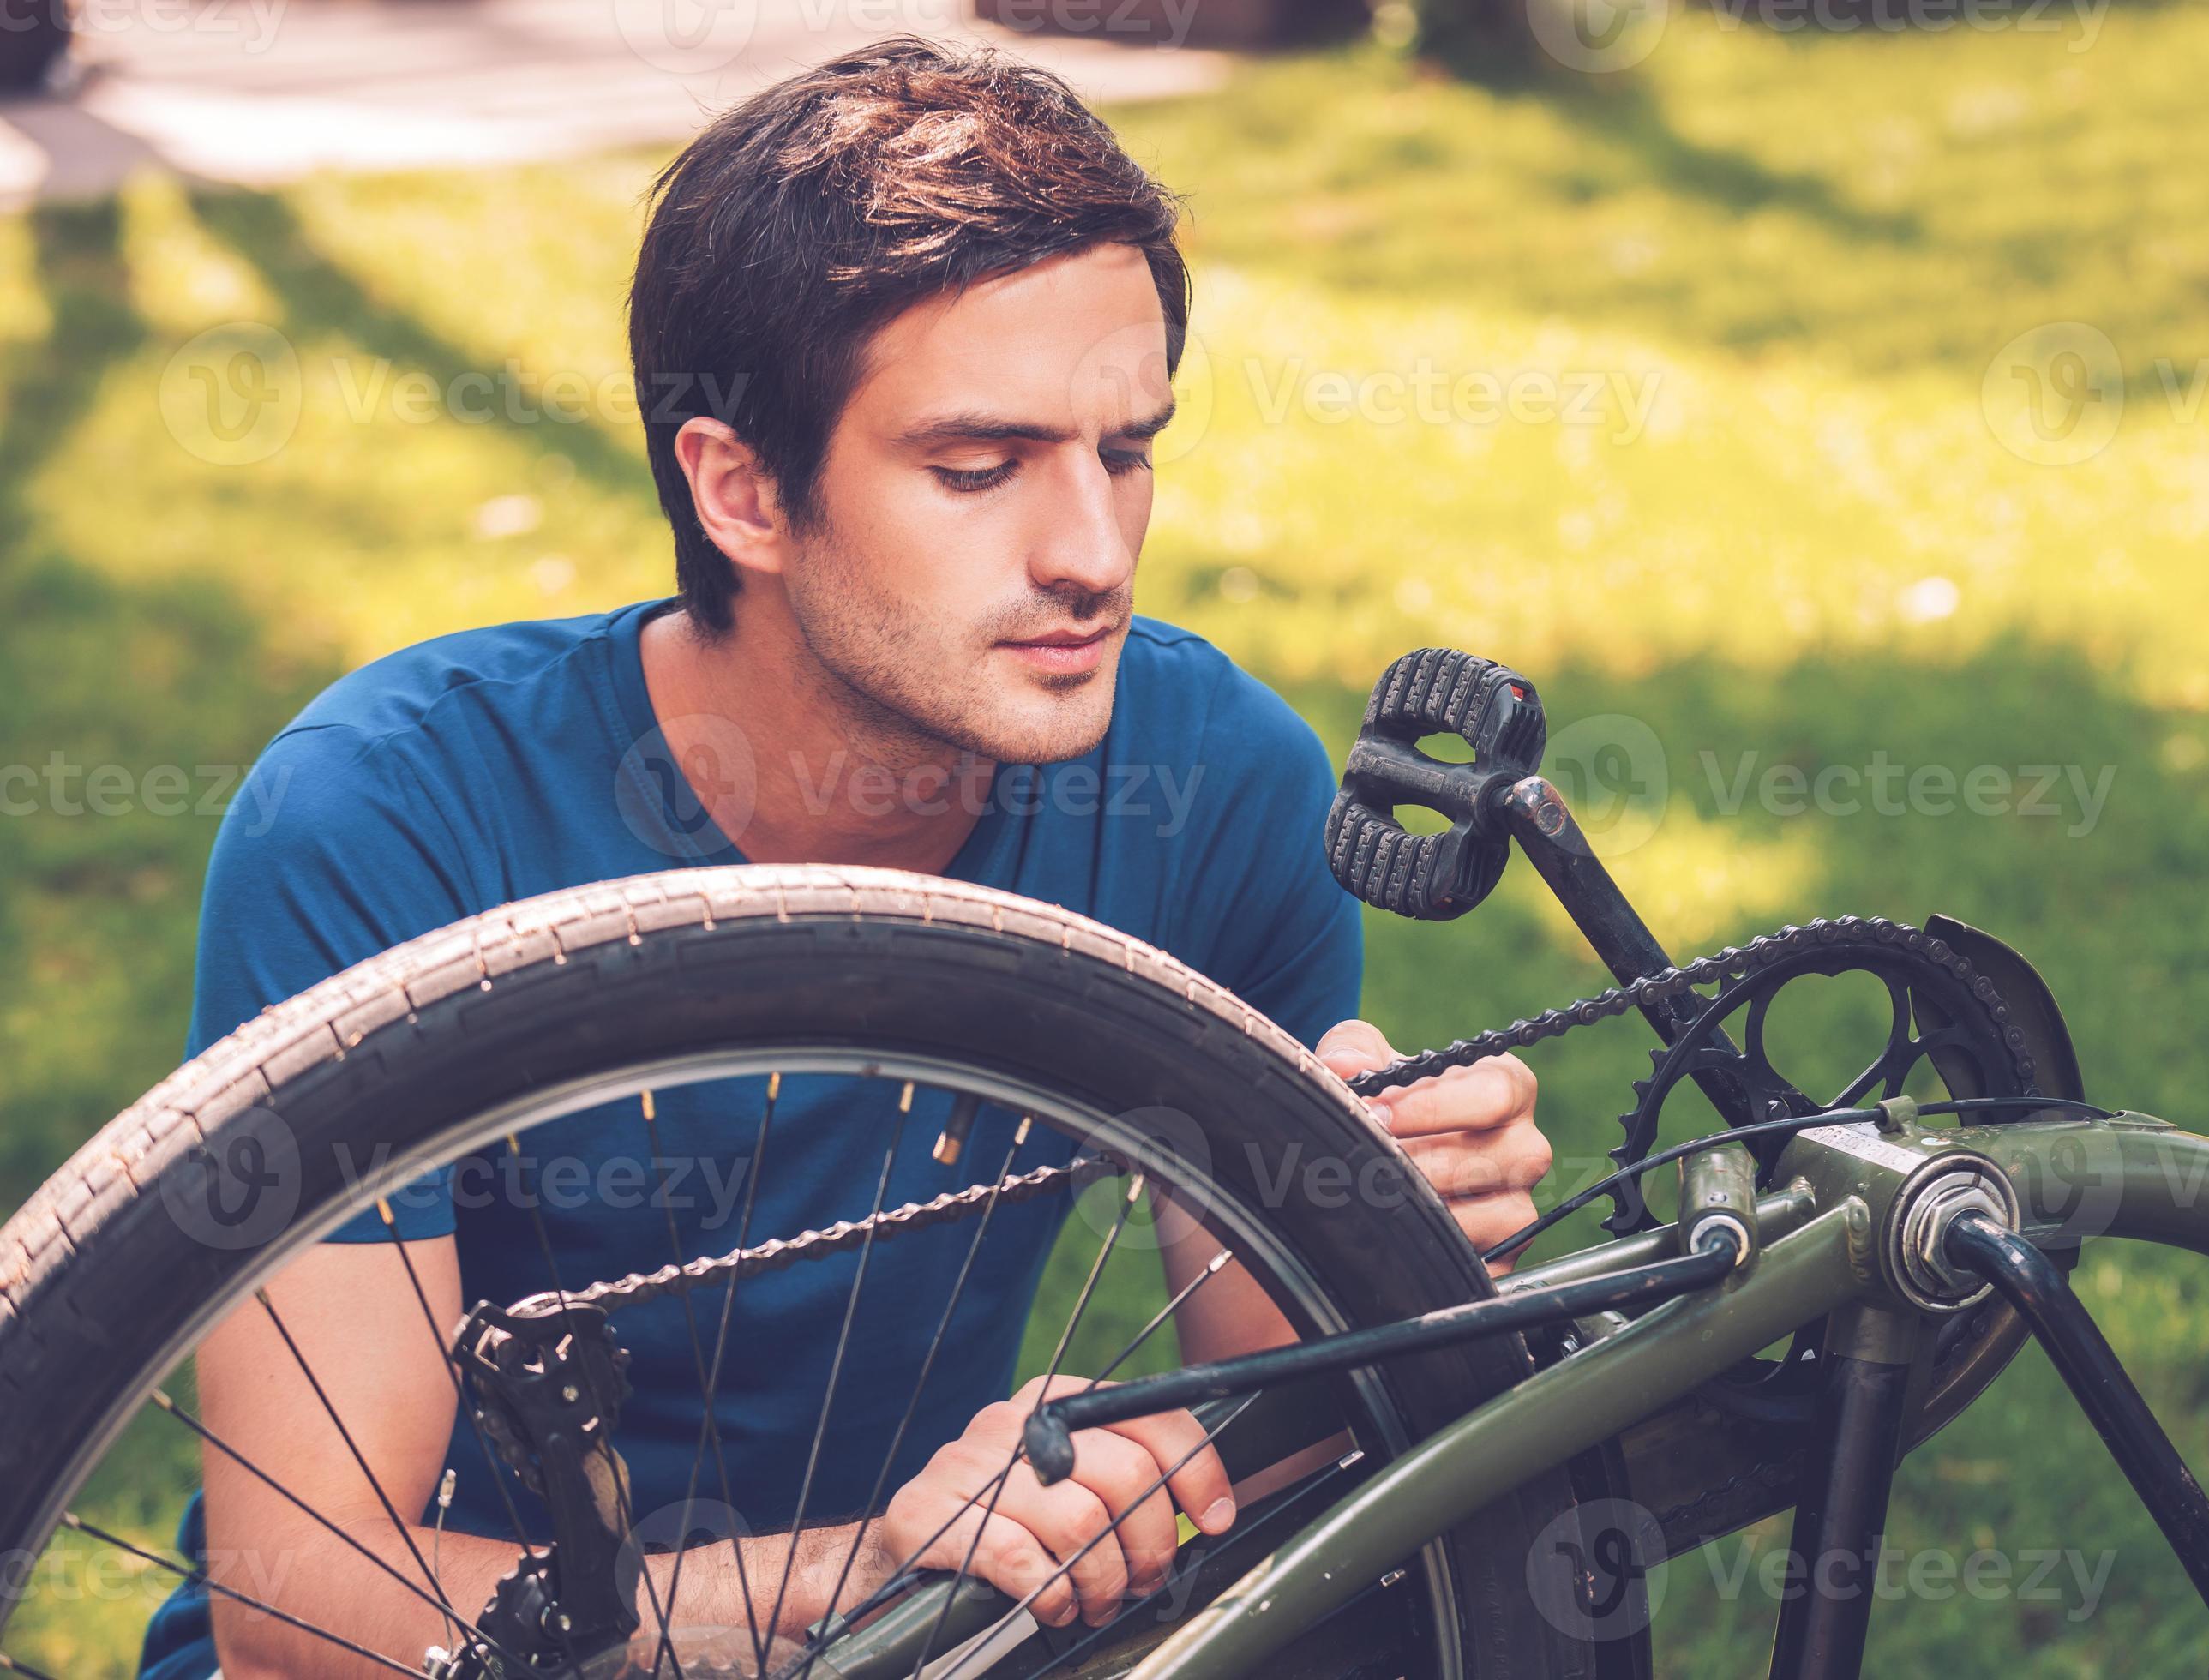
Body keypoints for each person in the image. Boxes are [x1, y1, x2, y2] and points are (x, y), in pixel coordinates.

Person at [137, 36, 1552, 1678]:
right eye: (976, 469)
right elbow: (302, 1610)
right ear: (740, 489)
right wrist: (870, 1572)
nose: (1092, 553)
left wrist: (1383, 1219)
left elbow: (1273, 1443)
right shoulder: (390, 817)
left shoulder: (1210, 779)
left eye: (1126, 449)